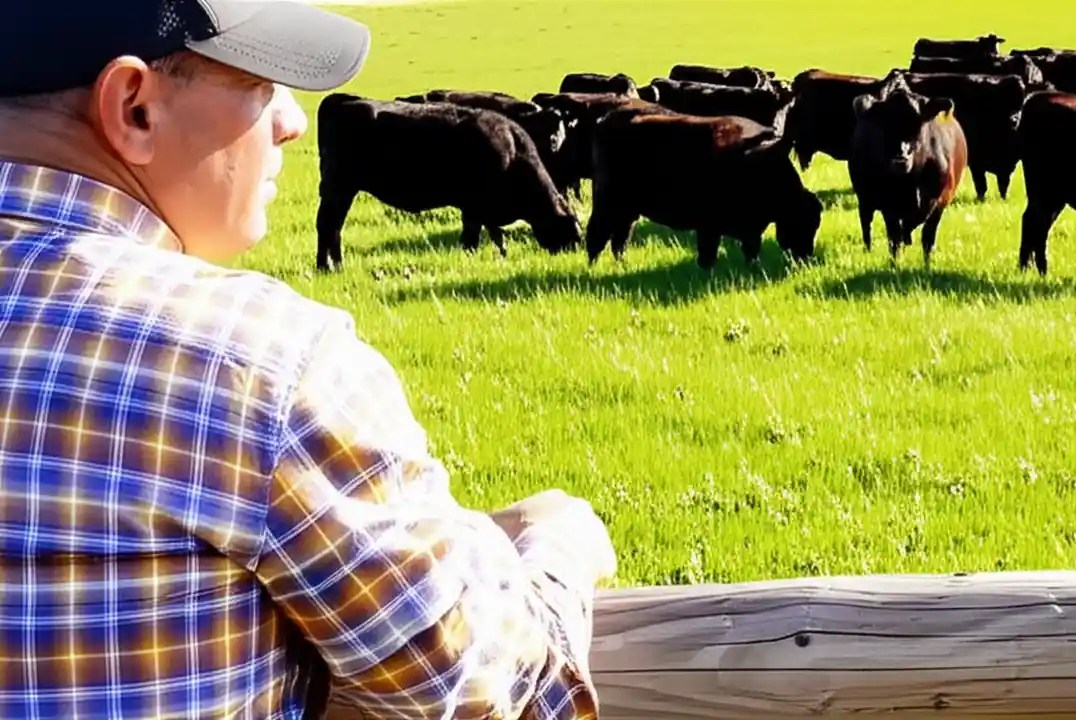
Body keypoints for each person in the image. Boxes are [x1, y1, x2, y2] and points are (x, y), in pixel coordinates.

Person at [0, 1, 617, 718]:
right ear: (135, 109)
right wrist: (556, 549)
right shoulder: (260, 365)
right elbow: (490, 689)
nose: (291, 122)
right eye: (261, 86)